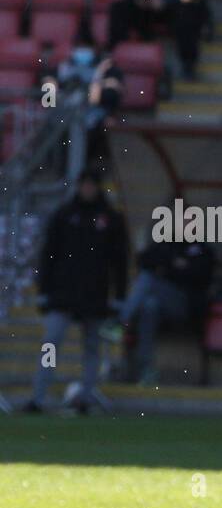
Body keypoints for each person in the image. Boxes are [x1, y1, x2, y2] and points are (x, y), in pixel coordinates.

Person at [23, 171, 128, 414]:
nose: (88, 190)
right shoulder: (64, 215)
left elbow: (119, 261)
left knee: (91, 348)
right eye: (85, 185)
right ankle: (38, 396)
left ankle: (86, 397)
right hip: (63, 294)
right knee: (50, 344)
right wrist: (44, 289)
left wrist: (119, 296)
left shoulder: (111, 219)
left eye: (92, 185)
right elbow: (49, 253)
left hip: (95, 295)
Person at [100, 236, 213, 385]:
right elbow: (144, 260)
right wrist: (173, 263)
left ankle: (121, 322)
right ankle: (146, 370)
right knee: (149, 307)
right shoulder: (168, 244)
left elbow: (200, 275)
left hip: (185, 306)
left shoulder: (202, 249)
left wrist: (167, 267)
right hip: (160, 305)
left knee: (148, 279)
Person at [44, 26, 122, 162]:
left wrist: (92, 95)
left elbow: (112, 95)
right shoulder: (61, 68)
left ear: (94, 49)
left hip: (94, 115)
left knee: (97, 131)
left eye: (86, 47)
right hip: (65, 115)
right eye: (79, 47)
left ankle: (91, 174)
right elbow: (47, 98)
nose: (82, 51)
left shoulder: (107, 70)